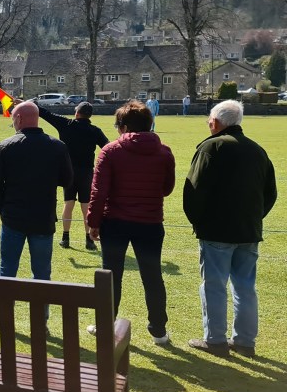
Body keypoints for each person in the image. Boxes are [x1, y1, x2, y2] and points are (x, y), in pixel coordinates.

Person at [184, 100, 277, 357]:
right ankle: (245, 342)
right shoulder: (258, 151)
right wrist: (255, 217)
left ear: (215, 122)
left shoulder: (211, 147)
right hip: (248, 230)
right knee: (245, 287)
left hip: (216, 231)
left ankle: (215, 340)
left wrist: (199, 222)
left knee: (214, 285)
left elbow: (194, 191)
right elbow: (270, 193)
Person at [86, 100, 176, 345]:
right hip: (150, 221)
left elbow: (98, 191)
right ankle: (158, 330)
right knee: (152, 275)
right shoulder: (164, 151)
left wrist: (93, 222)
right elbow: (167, 188)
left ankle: (105, 324)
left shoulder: (111, 151)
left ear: (124, 126)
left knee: (111, 276)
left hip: (115, 222)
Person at [0, 101, 72, 328]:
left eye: (13, 118)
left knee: (8, 269)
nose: (12, 122)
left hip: (13, 218)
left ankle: (1, 315)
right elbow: (67, 180)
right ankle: (40, 321)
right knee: (42, 273)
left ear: (20, 119)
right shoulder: (57, 146)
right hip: (43, 218)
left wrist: (2, 209)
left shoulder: (6, 146)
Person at [37, 101, 109, 250]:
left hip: (68, 171)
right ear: (90, 116)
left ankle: (65, 238)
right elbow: (108, 147)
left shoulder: (66, 124)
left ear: (77, 113)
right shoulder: (95, 130)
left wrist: (25, 103)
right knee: (86, 206)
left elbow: (46, 114)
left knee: (68, 203)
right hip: (87, 172)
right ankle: (89, 240)